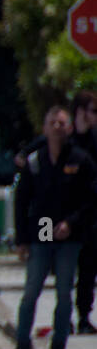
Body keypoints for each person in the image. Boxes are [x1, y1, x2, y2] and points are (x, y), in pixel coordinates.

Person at [8, 106, 97, 349]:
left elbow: (91, 198)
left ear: (69, 128)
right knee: (31, 291)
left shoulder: (81, 160)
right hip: (43, 228)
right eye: (52, 123)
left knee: (64, 292)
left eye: (61, 123)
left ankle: (59, 347)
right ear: (45, 128)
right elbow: (22, 201)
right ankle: (22, 346)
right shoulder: (35, 162)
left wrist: (71, 222)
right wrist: (22, 240)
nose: (57, 127)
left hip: (69, 233)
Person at [69, 90, 97, 334]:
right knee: (63, 270)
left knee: (87, 270)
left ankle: (83, 317)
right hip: (62, 217)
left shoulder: (95, 140)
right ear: (80, 111)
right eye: (93, 111)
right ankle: (63, 319)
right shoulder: (65, 139)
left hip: (89, 216)